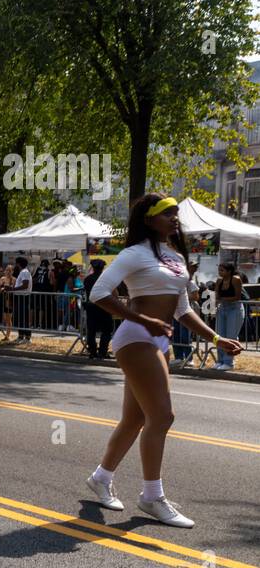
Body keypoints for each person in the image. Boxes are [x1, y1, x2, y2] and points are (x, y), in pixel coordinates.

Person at [86, 194, 244, 528]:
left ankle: (101, 477)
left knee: (135, 419)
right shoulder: (134, 254)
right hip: (136, 338)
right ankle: (151, 496)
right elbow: (98, 294)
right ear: (148, 219)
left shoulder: (174, 257)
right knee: (163, 416)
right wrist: (144, 321)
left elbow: (182, 309)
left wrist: (216, 339)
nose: (175, 218)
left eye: (176, 213)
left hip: (159, 339)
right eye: (166, 213)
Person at [213, 262, 245, 370]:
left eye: (222, 270)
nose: (220, 272)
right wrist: (216, 303)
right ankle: (220, 360)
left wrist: (221, 300)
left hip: (234, 309)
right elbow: (216, 296)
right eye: (219, 270)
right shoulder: (219, 281)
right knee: (220, 336)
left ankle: (229, 362)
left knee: (230, 336)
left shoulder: (236, 279)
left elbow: (237, 296)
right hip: (222, 309)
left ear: (229, 271)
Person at [82, 259, 113, 359]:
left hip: (91, 306)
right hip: (104, 306)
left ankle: (92, 351)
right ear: (103, 267)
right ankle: (102, 352)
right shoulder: (107, 279)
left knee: (91, 331)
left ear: (93, 267)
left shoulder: (87, 279)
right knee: (107, 330)